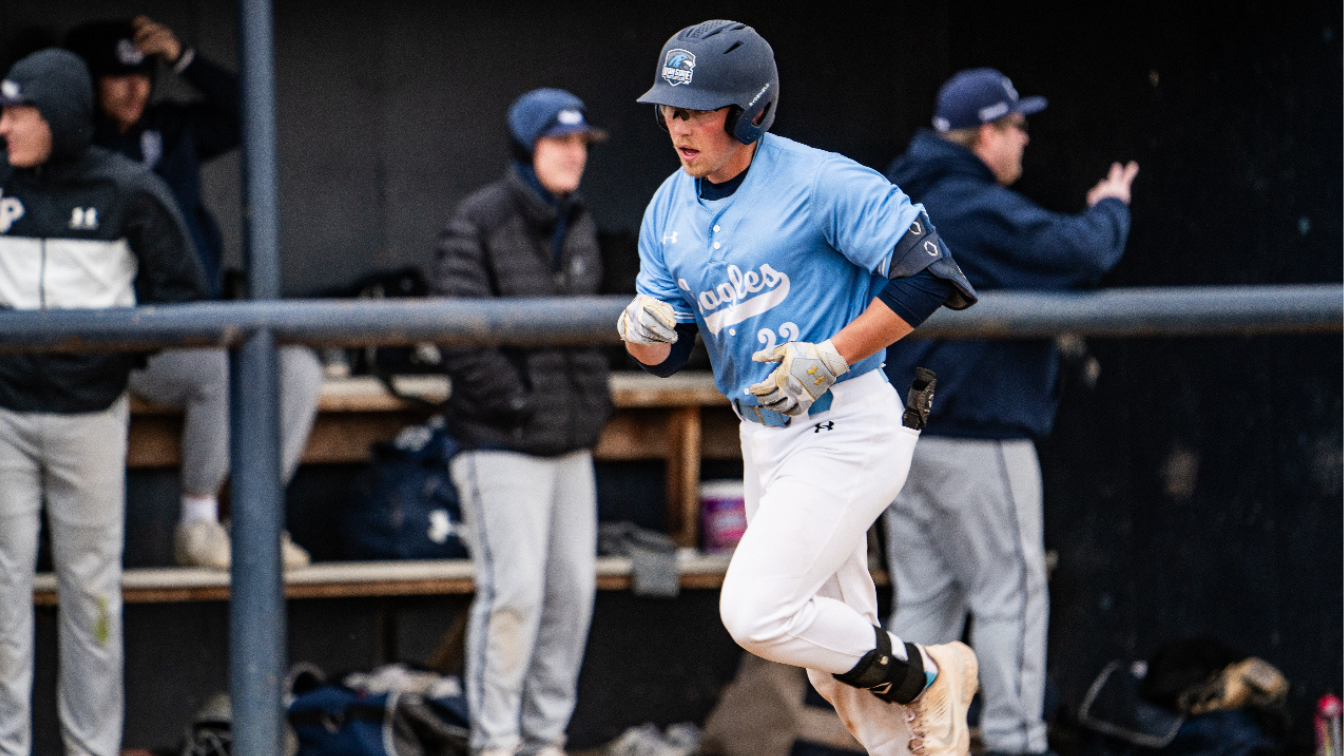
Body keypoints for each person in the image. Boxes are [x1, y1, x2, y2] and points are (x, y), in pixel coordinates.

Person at [620, 20, 982, 756]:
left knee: (758, 611)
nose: (679, 126)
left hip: (845, 421)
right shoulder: (667, 208)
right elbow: (667, 352)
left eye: (697, 110)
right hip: (763, 437)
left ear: (750, 111)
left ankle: (932, 674)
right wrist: (642, 332)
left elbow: (933, 275)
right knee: (831, 659)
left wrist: (832, 355)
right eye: (671, 110)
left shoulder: (820, 181)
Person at [879, 67, 1138, 756]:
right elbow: (1081, 252)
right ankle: (1018, 743)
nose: (1025, 139)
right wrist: (1111, 207)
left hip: (908, 430)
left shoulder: (905, 195)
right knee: (1011, 594)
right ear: (986, 134)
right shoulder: (965, 203)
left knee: (926, 603)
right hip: (974, 431)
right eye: (1017, 126)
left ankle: (905, 747)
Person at [0, 48, 207, 756]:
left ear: (58, 115)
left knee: (91, 597)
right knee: (2, 594)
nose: (5, 127)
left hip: (89, 417)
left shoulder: (128, 187)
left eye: (20, 113)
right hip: (4, 416)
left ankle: (91, 750)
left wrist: (115, 357)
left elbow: (184, 297)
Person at [65, 16, 322, 569]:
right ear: (90, 82)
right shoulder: (74, 146)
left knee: (298, 369)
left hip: (196, 318)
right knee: (216, 368)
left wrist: (184, 59)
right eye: (117, 77)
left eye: (143, 75)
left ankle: (255, 521)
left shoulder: (170, 128)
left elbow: (252, 113)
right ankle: (198, 522)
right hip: (125, 335)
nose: (134, 89)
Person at [431, 88, 612, 756]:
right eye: (560, 141)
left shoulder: (579, 220)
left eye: (580, 142)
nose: (574, 154)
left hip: (569, 441)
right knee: (515, 594)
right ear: (527, 147)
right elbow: (458, 335)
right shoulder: (480, 217)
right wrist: (519, 400)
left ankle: (543, 739)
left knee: (572, 595)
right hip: (500, 441)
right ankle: (496, 743)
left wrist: (585, 406)